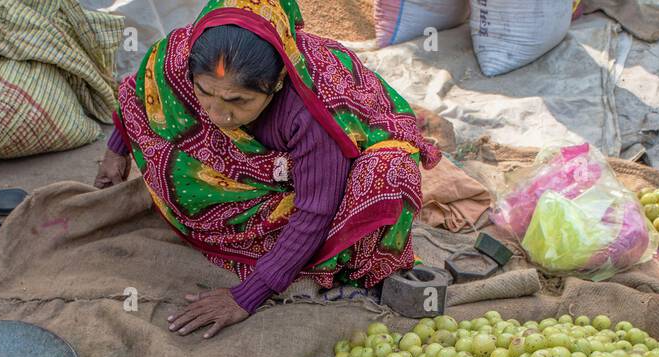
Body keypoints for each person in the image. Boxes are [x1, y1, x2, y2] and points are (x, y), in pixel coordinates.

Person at [95, 0, 440, 339]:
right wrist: (116, 149)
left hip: (334, 175)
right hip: (272, 168)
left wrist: (246, 296)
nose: (218, 114)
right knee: (171, 116)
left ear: (275, 84)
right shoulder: (181, 56)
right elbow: (142, 91)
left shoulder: (310, 113)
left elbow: (315, 211)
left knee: (386, 178)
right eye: (205, 93)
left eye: (238, 101)